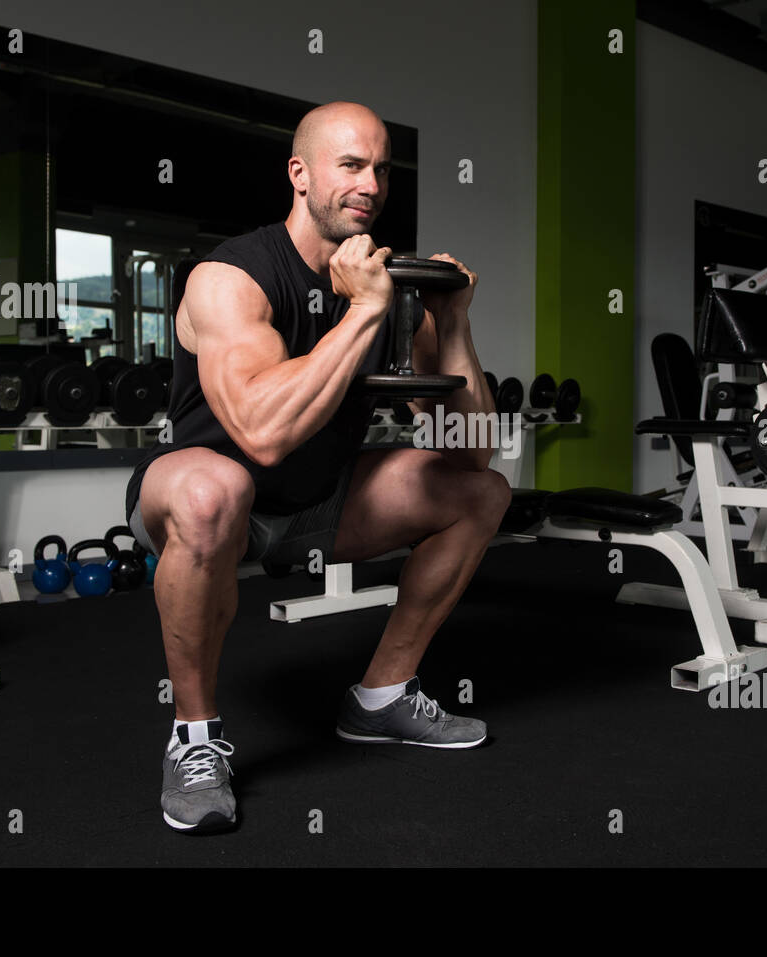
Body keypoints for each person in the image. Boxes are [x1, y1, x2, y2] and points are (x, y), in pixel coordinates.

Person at [124, 101, 512, 833]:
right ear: (300, 175)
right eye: (351, 166)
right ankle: (195, 738)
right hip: (203, 499)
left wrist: (454, 322)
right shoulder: (230, 276)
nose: (370, 184)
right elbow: (262, 435)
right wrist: (364, 313)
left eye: (382, 169)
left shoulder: (388, 286)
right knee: (218, 485)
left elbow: (468, 445)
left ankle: (382, 697)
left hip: (319, 499)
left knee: (478, 493)